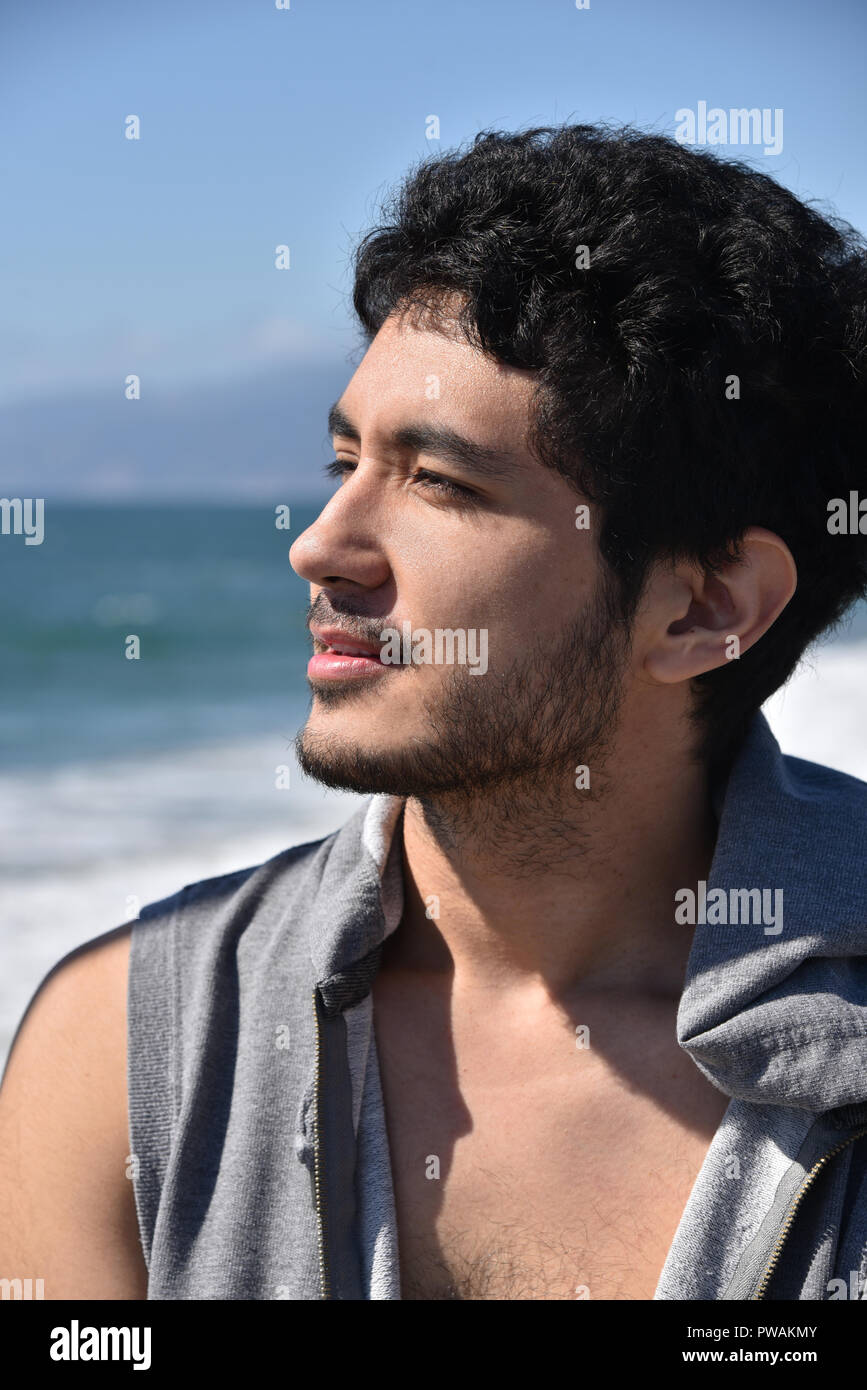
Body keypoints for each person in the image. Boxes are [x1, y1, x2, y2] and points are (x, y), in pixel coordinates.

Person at [2, 123, 866, 1301]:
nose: (321, 546)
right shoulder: (126, 1054)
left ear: (705, 607)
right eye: (343, 461)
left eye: (441, 483)